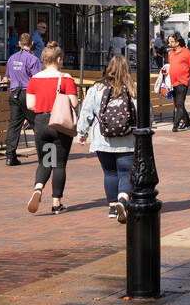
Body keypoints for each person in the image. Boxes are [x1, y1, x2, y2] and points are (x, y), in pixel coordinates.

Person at [77, 53, 137, 222]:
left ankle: (112, 208)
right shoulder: (133, 88)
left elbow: (86, 113)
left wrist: (81, 133)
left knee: (110, 173)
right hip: (128, 139)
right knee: (126, 172)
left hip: (102, 139)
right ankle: (123, 199)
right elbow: (145, 112)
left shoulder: (96, 88)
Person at [25, 42, 78, 215]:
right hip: (59, 124)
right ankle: (56, 203)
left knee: (46, 161)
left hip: (40, 123)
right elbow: (74, 103)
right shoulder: (66, 78)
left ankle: (38, 188)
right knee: (60, 164)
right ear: (59, 59)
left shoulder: (34, 79)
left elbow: (30, 105)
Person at [5, 33, 40, 165]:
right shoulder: (33, 59)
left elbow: (7, 76)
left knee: (14, 125)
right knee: (37, 123)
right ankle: (44, 153)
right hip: (28, 93)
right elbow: (36, 80)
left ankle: (10, 156)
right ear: (31, 44)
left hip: (14, 94)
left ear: (19, 43)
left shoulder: (12, 58)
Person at [166, 31, 190, 132]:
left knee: (179, 104)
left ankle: (175, 125)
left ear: (177, 42)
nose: (169, 44)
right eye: (169, 41)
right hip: (172, 82)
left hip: (183, 82)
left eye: (171, 41)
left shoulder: (187, 52)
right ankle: (187, 121)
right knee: (178, 104)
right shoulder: (171, 53)